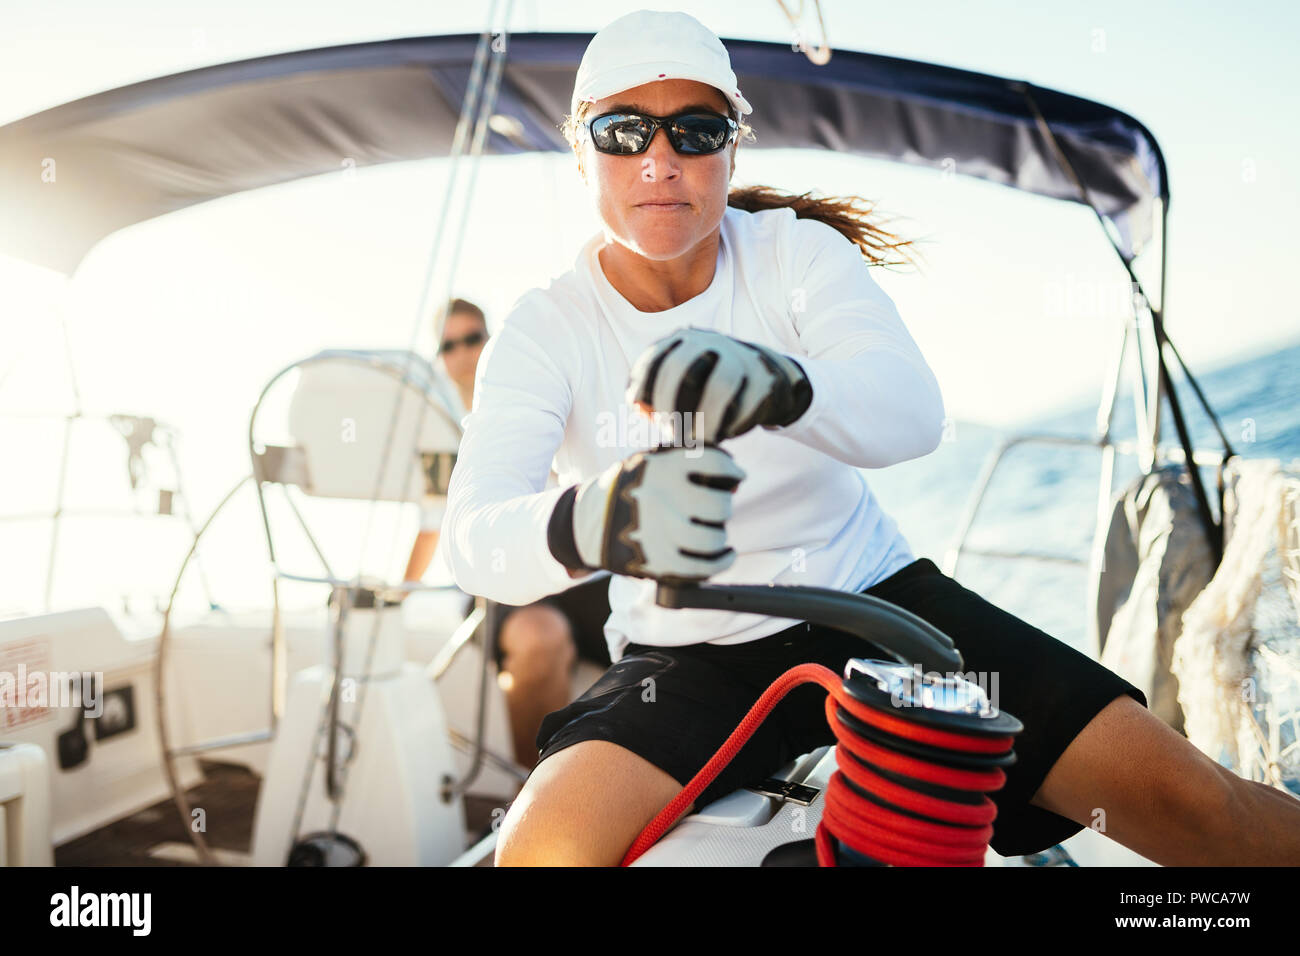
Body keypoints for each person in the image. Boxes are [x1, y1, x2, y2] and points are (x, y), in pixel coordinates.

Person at [442, 10, 1300, 866]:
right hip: (684, 657)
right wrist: (597, 520)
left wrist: (786, 383)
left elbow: (910, 410)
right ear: (580, 146)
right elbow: (474, 540)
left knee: (1193, 807)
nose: (660, 159)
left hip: (875, 607)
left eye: (696, 130)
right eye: (622, 131)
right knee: (541, 853)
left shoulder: (794, 255)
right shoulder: (544, 326)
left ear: (732, 149)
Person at [402, 297, 612, 770]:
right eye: (449, 344)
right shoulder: (438, 432)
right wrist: (398, 593)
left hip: (584, 570)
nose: (463, 353)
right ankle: (535, 793)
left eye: (473, 338)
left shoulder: (546, 390)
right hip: (504, 578)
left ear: (491, 340)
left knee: (670, 631)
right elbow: (435, 526)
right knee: (539, 637)